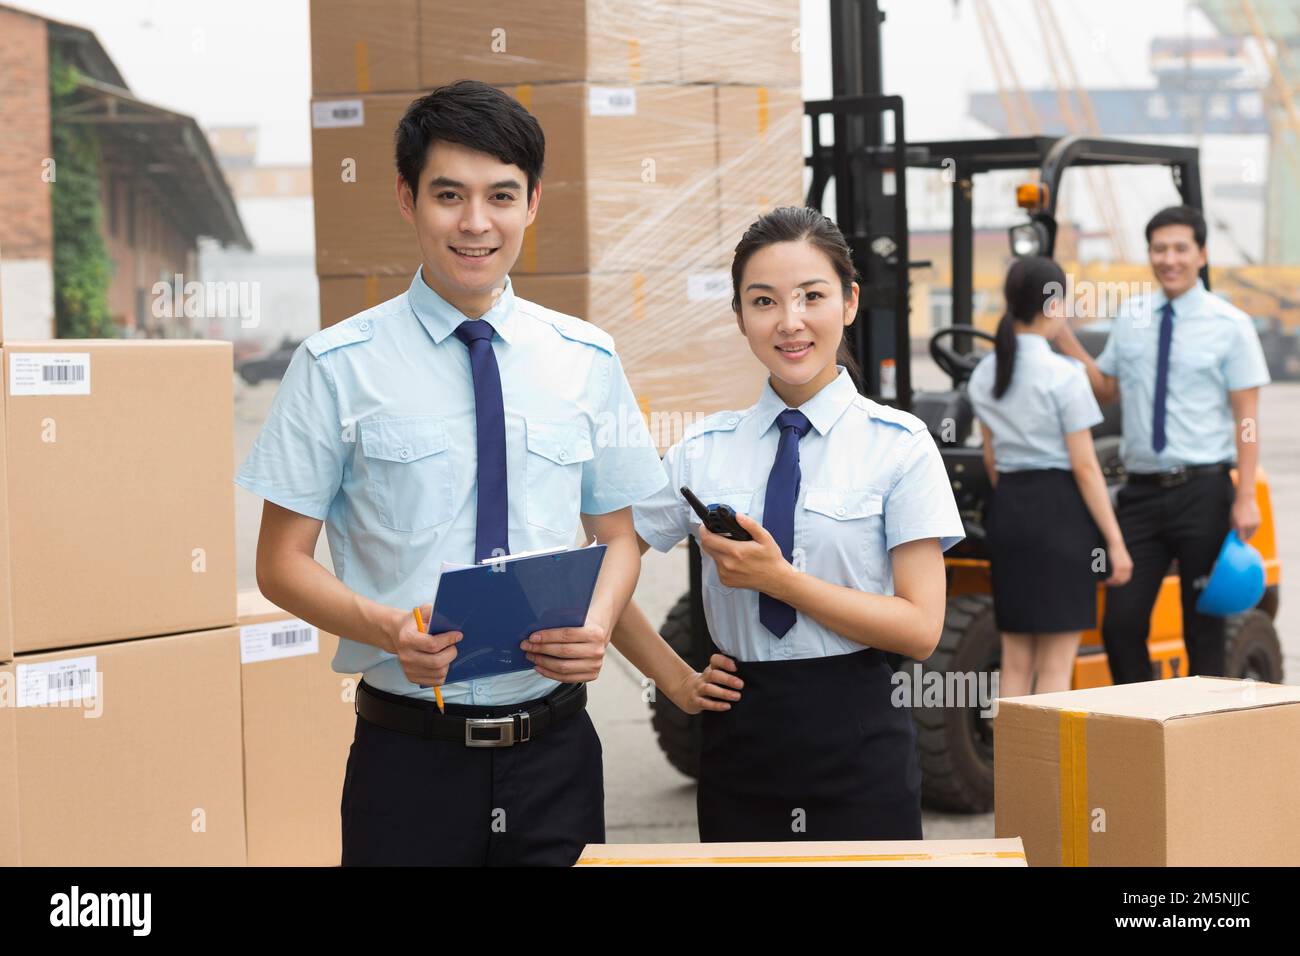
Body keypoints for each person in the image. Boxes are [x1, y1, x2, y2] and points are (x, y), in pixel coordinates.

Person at [235, 80, 665, 865]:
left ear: (533, 202)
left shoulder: (587, 361)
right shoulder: (336, 367)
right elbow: (278, 564)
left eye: (501, 195)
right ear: (407, 199)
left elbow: (620, 537)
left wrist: (598, 626)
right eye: (449, 195)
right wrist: (386, 629)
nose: (476, 222)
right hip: (408, 764)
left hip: (557, 757)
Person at [611, 206, 964, 842]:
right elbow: (604, 564)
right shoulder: (702, 449)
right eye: (764, 301)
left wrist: (782, 581)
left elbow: (920, 630)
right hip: (739, 740)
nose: (789, 321)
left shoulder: (901, 446)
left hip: (859, 737)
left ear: (850, 303)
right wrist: (674, 680)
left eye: (811, 296)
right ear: (741, 317)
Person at [1055, 205, 1270, 683]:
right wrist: (1066, 342)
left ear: (1201, 254)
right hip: (1141, 493)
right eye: (1159, 248)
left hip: (1204, 491)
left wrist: (1246, 493)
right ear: (1149, 253)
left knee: (1203, 627)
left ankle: (1204, 742)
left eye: (1180, 248)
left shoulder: (1229, 324)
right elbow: (1107, 389)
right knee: (1121, 623)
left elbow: (1247, 419)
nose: (1168, 259)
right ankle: (1146, 726)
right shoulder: (1130, 317)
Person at [967, 256, 1132, 697]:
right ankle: (1046, 768)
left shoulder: (985, 373)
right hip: (1060, 517)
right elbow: (1085, 466)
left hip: (1009, 514)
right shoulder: (1066, 374)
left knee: (1016, 662)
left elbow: (991, 462)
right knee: (1056, 668)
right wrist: (1115, 542)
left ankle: (1011, 767)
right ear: (1054, 304)